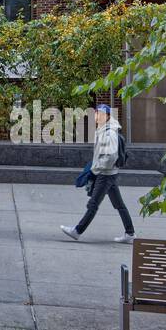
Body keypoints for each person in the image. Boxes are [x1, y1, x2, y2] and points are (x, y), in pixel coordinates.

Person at [61, 104, 134, 244]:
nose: (97, 116)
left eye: (100, 114)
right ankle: (130, 233)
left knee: (93, 203)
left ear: (107, 116)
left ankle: (77, 231)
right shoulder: (103, 130)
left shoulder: (109, 133)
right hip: (108, 173)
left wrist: (97, 168)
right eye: (96, 113)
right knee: (119, 205)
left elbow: (111, 156)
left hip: (105, 174)